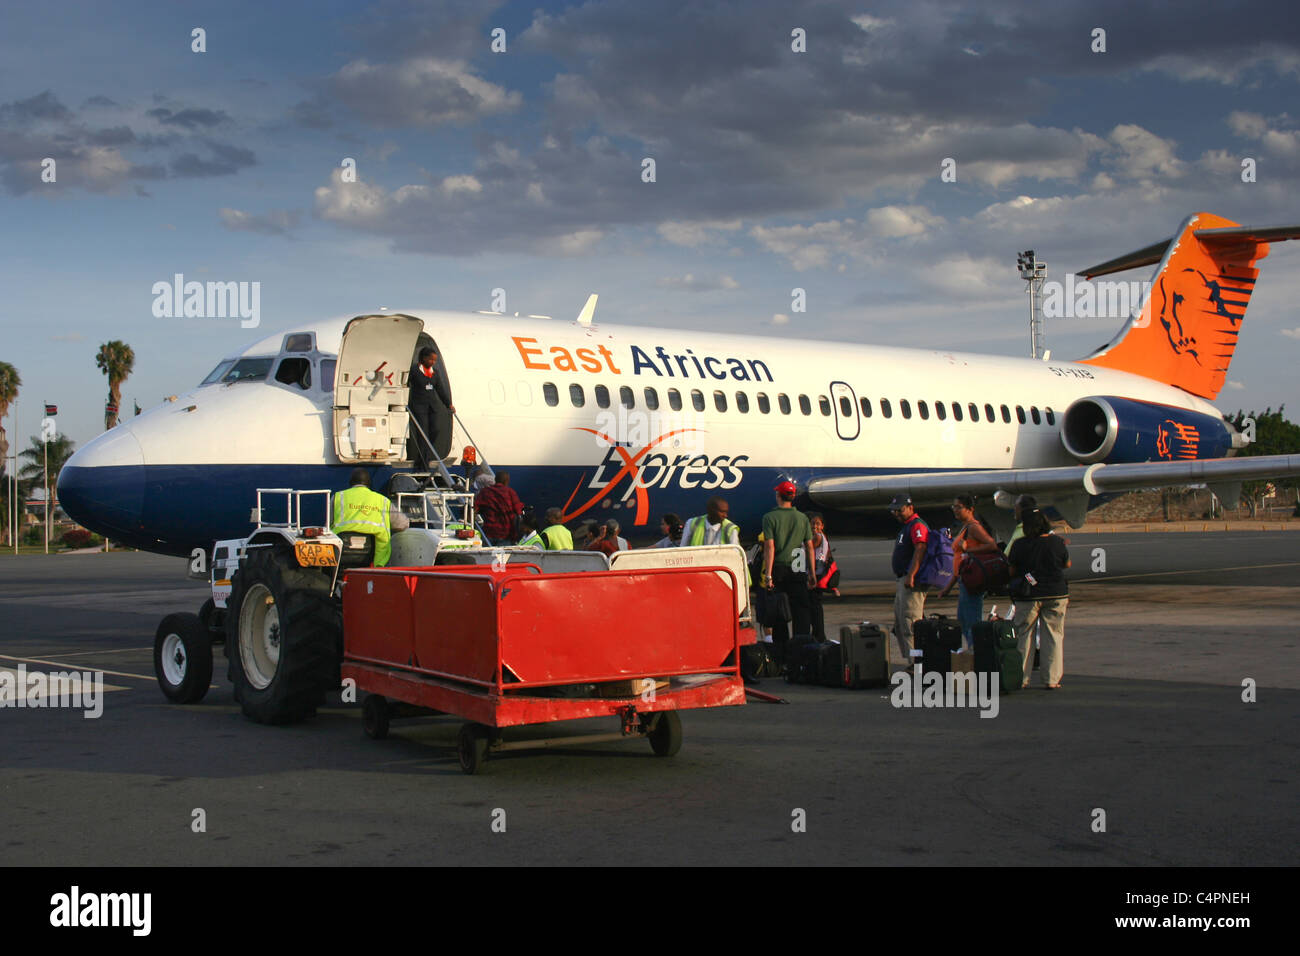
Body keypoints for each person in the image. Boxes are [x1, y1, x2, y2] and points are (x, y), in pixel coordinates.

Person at [1007, 509, 1071, 689]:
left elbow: (1011, 570)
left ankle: (1020, 677)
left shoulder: (1020, 544)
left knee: (1024, 635)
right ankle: (1051, 679)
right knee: (1053, 636)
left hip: (1028, 595)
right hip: (1056, 592)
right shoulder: (1057, 542)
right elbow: (1066, 564)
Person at [761, 480, 815, 667]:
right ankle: (801, 654)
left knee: (779, 614)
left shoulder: (770, 517)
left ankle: (782, 657)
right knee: (801, 611)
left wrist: (768, 575)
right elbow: (809, 546)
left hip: (780, 569)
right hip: (798, 569)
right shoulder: (802, 518)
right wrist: (812, 573)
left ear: (778, 496)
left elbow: (770, 546)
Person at [939, 495, 999, 650]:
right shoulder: (965, 527)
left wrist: (968, 548)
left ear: (970, 509)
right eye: (954, 507)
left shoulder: (973, 527)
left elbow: (992, 545)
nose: (955, 510)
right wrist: (948, 587)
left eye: (959, 507)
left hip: (971, 581)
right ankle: (974, 651)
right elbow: (959, 563)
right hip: (963, 580)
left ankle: (977, 653)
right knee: (963, 620)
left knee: (972, 621)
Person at [890, 495, 930, 666]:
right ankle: (912, 661)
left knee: (910, 624)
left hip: (910, 582)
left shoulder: (916, 525)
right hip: (902, 581)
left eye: (901, 509)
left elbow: (920, 547)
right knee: (900, 624)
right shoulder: (906, 526)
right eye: (895, 510)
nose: (897, 513)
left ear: (910, 507)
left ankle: (918, 662)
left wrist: (911, 574)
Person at [331, 468, 398, 567]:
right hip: (374, 559)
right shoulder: (383, 501)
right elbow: (402, 524)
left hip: (340, 553)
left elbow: (328, 522)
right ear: (369, 484)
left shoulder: (338, 497)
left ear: (350, 482)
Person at [408, 347, 454, 471]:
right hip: (419, 406)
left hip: (432, 406)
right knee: (423, 433)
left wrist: (448, 404)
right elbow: (407, 385)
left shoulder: (435, 372)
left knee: (435, 430)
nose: (433, 362)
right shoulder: (414, 371)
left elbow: (440, 389)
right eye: (431, 359)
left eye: (434, 360)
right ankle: (423, 461)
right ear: (424, 358)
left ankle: (426, 456)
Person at [806, 513, 839, 641]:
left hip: (817, 575)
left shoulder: (818, 537)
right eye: (813, 523)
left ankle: (818, 635)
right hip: (818, 574)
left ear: (822, 526)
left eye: (817, 524)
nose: (815, 526)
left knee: (814, 607)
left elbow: (808, 547)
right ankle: (818, 634)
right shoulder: (823, 537)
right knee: (816, 606)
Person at [475, 470, 524, 543]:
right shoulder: (510, 492)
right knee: (505, 554)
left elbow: (476, 508)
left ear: (495, 480)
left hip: (489, 532)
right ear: (507, 481)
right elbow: (518, 510)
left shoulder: (485, 492)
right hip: (506, 533)